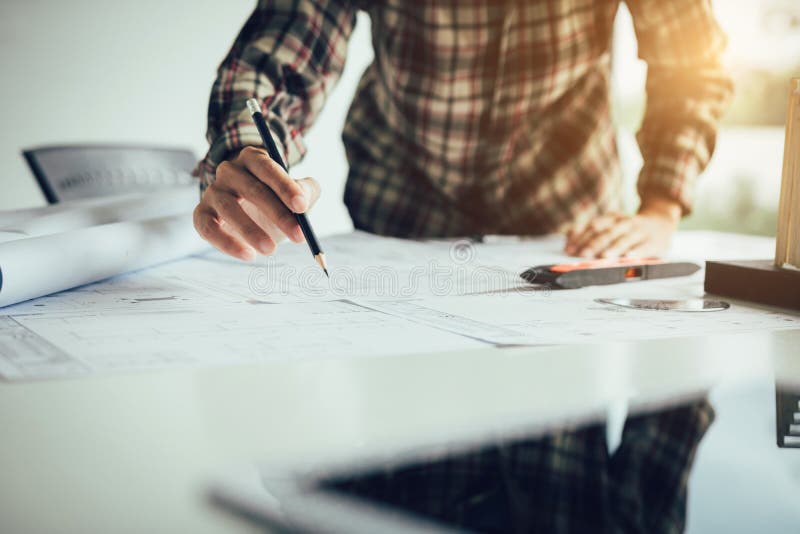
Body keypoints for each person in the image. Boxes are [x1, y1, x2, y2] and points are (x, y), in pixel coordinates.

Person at [193, 0, 731, 261]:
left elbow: (692, 65)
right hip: (398, 212)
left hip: (570, 228)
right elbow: (280, 51)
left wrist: (660, 208)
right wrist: (247, 150)